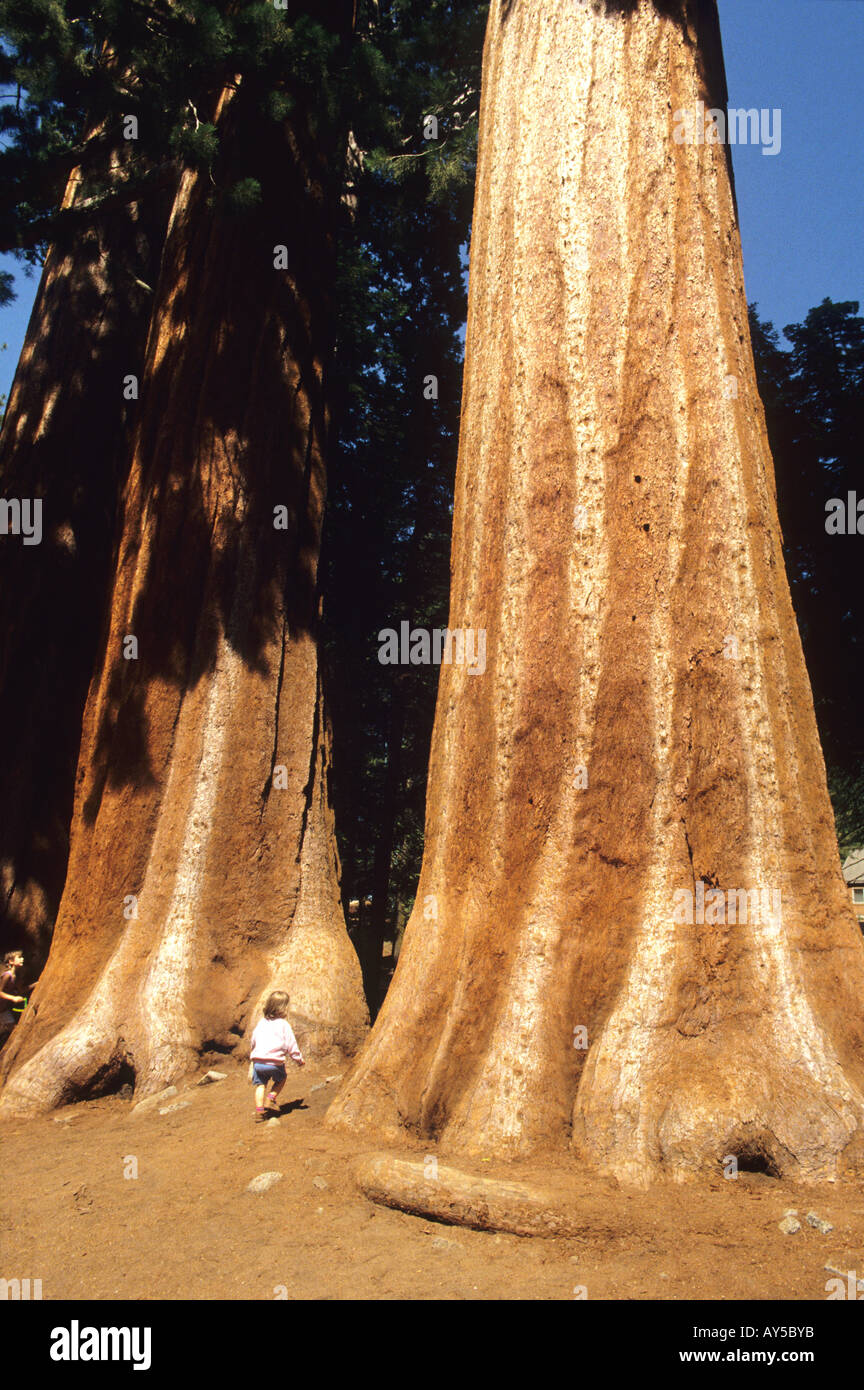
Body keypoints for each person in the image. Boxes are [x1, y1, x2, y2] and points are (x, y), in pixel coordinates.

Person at [248, 990, 304, 1120]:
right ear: (284, 1008)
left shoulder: (262, 1022)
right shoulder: (284, 1025)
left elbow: (253, 1040)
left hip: (258, 1062)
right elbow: (291, 1045)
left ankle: (259, 1112)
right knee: (281, 1079)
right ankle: (271, 1098)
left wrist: (254, 1053)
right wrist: (298, 1059)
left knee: (260, 1085)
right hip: (274, 1062)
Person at [0, 950, 26, 1045]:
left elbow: (21, 990)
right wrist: (13, 998)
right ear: (11, 961)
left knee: (14, 1029)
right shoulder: (7, 975)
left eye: (22, 957)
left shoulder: (16, 976)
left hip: (3, 1010)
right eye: (19, 957)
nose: (22, 959)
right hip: (1, 1010)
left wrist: (38, 983)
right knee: (14, 1030)